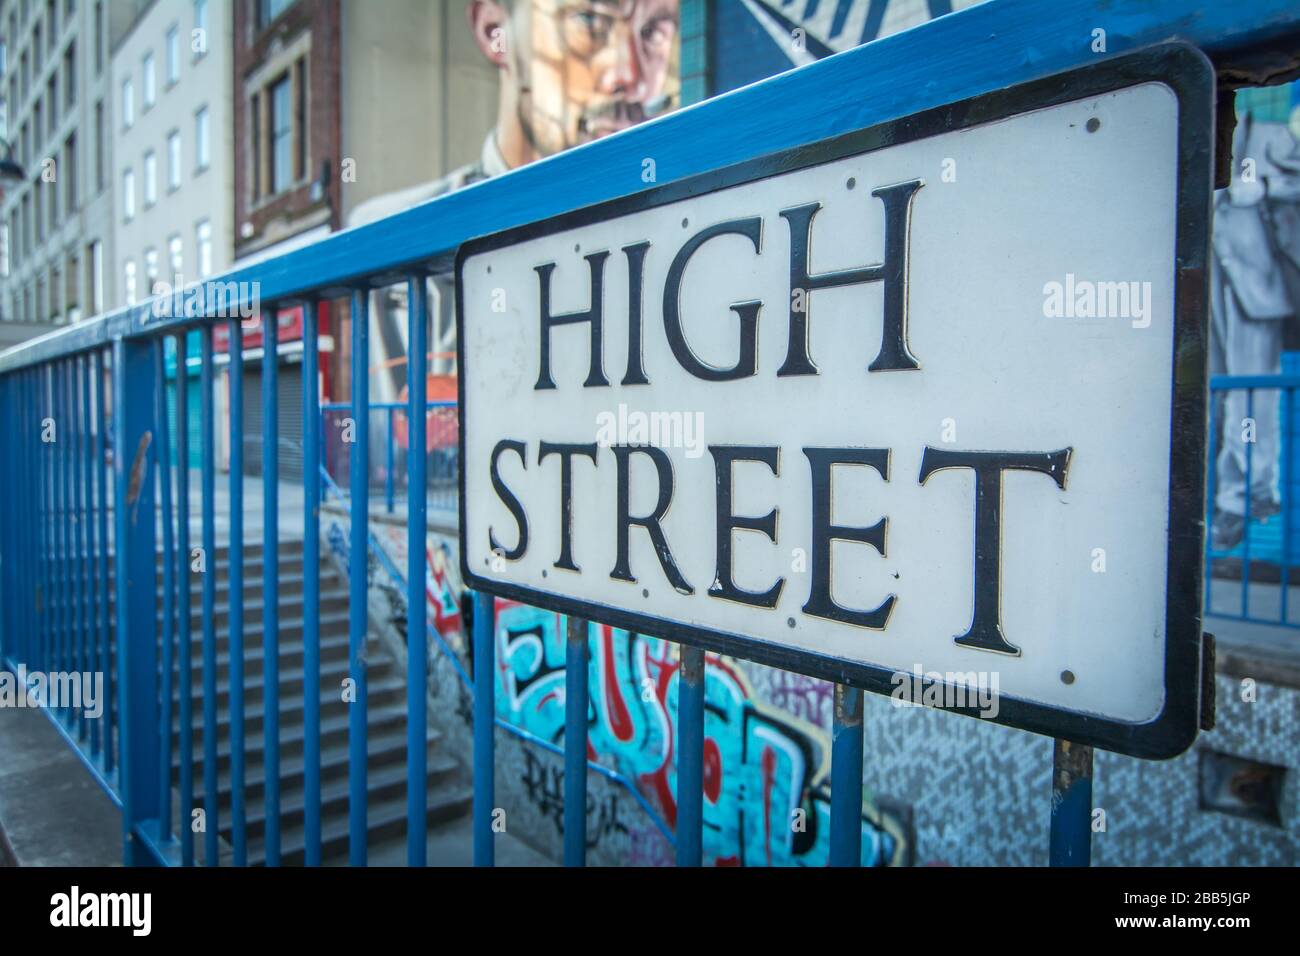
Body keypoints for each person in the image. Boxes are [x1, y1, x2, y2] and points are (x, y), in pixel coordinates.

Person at [1209, 98, 1300, 551]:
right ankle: (1233, 497)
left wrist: (1261, 185)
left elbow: (1293, 183)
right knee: (1221, 395)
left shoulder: (1270, 135)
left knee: (1252, 398)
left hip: (1256, 287)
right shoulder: (1188, 125)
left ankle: (1247, 497)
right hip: (1212, 284)